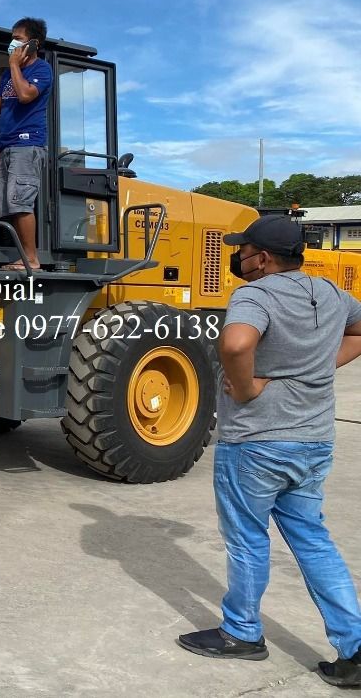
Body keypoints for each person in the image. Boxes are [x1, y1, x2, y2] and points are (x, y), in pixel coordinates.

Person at [176, 215, 361, 689]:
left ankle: (241, 633)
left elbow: (237, 344)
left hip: (256, 443)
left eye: (242, 250)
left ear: (261, 258)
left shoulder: (255, 295)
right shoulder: (330, 294)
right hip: (313, 441)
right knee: (313, 541)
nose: (237, 257)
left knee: (247, 540)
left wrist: (245, 389)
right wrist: (318, 367)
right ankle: (355, 648)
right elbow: (359, 331)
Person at [0, 17, 52, 271]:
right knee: (8, 205)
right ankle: (20, 254)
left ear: (33, 44)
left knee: (20, 201)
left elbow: (26, 95)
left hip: (27, 144)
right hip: (6, 146)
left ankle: (31, 259)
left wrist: (13, 64)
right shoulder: (11, 74)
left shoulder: (41, 70)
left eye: (18, 39)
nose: (13, 44)